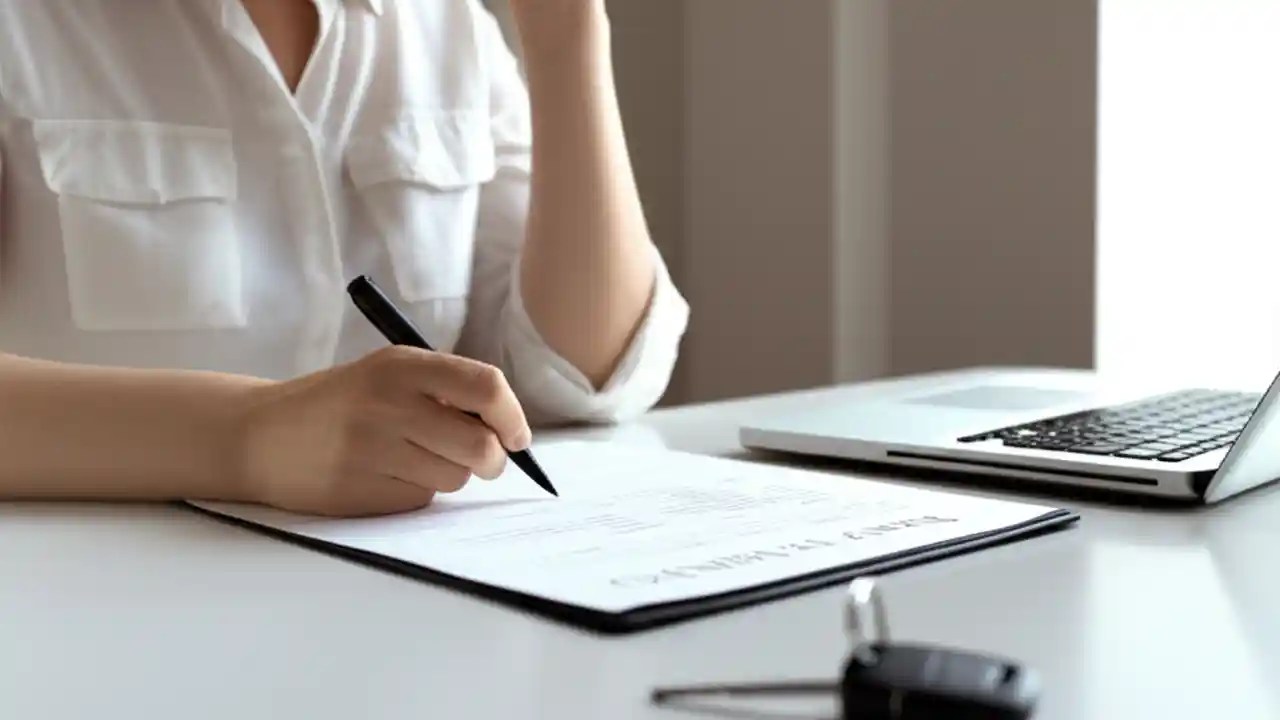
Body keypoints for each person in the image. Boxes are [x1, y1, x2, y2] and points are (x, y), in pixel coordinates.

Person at [0, 0, 689, 517]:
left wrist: (568, 33)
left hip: (398, 611)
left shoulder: (446, 23)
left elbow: (583, 377)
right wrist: (249, 437)